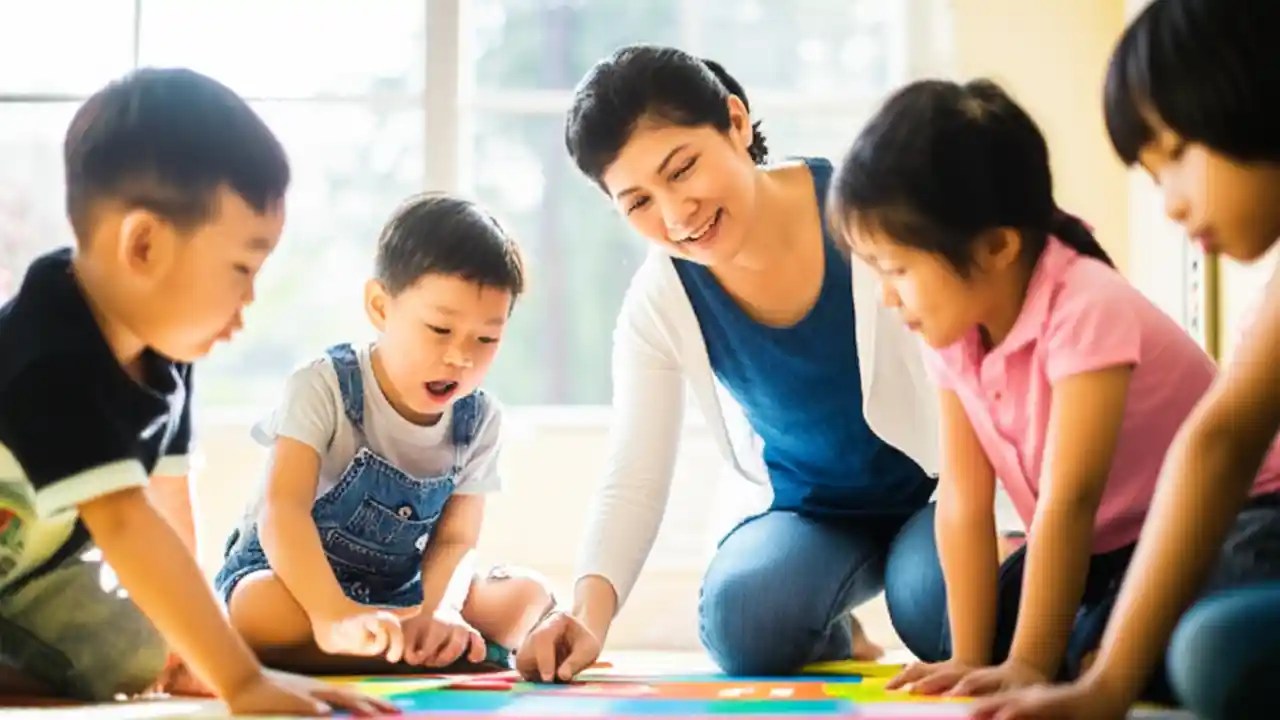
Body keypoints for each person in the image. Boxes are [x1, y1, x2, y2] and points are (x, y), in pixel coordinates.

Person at [829, 75, 1280, 703]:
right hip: (1106, 549)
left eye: (897, 269)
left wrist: (1029, 666)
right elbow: (962, 499)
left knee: (1080, 637)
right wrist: (968, 654)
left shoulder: (1085, 303)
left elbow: (1071, 501)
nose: (887, 295)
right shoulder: (952, 330)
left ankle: (1101, 652)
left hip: (1225, 521)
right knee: (950, 619)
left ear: (995, 248)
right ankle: (1092, 645)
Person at [516, 44, 943, 682]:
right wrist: (586, 615)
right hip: (814, 514)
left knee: (940, 611)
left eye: (682, 168)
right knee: (744, 620)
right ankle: (830, 625)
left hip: (944, 492)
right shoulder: (661, 299)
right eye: (637, 203)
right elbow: (634, 471)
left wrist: (1011, 520)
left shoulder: (868, 215)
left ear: (736, 122)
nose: (675, 214)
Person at [0, 68, 393, 716]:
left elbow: (167, 502)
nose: (250, 298)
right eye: (241, 267)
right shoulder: (48, 354)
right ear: (145, 244)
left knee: (140, 655)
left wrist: (209, 656)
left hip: (28, 573)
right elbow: (124, 522)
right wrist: (243, 684)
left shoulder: (165, 352)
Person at [969, 1, 1280, 718]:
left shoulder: (1084, 301)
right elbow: (1218, 440)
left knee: (1210, 651)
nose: (1169, 203)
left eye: (1175, 155)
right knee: (1196, 644)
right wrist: (1104, 685)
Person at [214, 194, 554, 674]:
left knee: (526, 596)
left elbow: (456, 541)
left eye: (486, 339)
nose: (460, 357)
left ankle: (399, 642)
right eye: (439, 329)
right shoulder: (324, 385)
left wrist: (438, 611)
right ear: (379, 307)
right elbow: (281, 510)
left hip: (400, 592)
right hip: (298, 583)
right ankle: (386, 648)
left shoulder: (479, 420)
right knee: (256, 606)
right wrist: (333, 615)